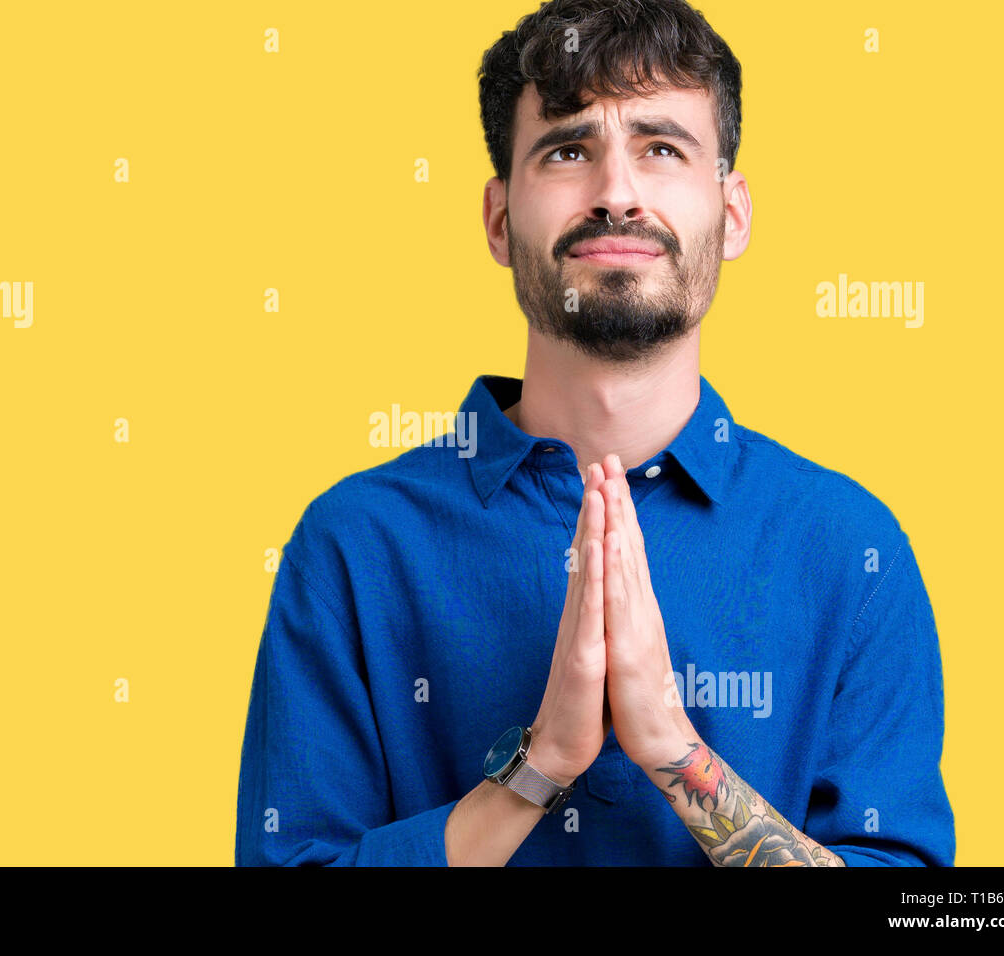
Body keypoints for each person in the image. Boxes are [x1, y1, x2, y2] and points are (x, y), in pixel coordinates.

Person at [235, 0, 954, 866]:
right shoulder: (352, 545)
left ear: (732, 213)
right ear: (500, 220)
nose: (617, 193)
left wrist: (675, 754)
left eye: (661, 149)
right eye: (569, 150)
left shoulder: (852, 550)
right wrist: (538, 768)